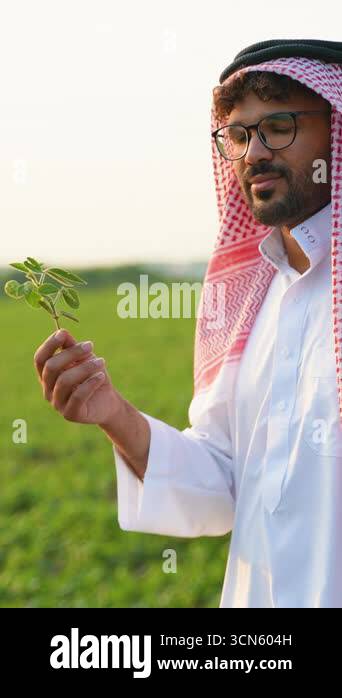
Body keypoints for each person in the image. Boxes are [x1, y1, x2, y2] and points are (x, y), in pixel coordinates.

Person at [34, 39, 342, 608]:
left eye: (278, 125)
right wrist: (114, 415)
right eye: (240, 135)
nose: (253, 152)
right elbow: (226, 487)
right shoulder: (256, 298)